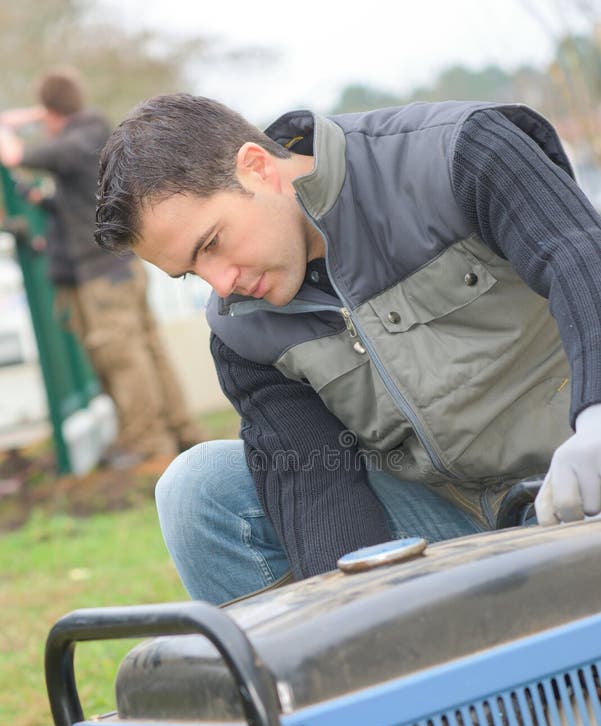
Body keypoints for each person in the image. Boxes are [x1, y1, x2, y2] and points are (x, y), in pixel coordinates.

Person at [94, 92, 601, 602]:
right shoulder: (241, 330)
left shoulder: (458, 153)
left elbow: (581, 259)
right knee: (199, 488)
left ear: (256, 167)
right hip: (446, 520)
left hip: (578, 477)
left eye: (211, 245)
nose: (220, 284)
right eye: (191, 272)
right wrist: (354, 624)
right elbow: (317, 494)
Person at [0, 69, 203, 466]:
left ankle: (149, 446)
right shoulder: (94, 135)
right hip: (120, 267)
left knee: (124, 360)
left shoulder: (77, 141)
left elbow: (14, 155)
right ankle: (182, 433)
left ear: (51, 112)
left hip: (103, 274)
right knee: (148, 352)